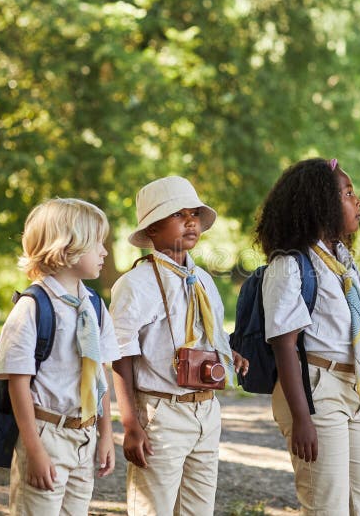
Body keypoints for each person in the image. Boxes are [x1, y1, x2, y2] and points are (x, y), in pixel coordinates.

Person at [255, 158, 360, 515]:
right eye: (347, 193)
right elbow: (284, 346)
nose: (357, 201)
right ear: (321, 204)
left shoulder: (344, 261)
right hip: (316, 389)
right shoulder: (290, 264)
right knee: (327, 504)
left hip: (354, 388)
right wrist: (302, 419)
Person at [110, 175, 249, 515]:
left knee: (198, 508)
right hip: (162, 413)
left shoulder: (202, 280)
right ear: (152, 231)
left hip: (205, 409)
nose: (190, 221)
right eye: (178, 214)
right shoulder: (136, 284)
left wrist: (228, 353)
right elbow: (120, 354)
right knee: (154, 507)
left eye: (194, 214)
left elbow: (210, 333)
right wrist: (130, 425)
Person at [0, 197, 120, 515]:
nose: (104, 252)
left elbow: (100, 375)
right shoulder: (33, 307)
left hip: (85, 435)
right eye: (97, 244)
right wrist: (34, 451)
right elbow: (17, 384)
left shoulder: (95, 307)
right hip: (46, 434)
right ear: (67, 249)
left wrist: (106, 435)